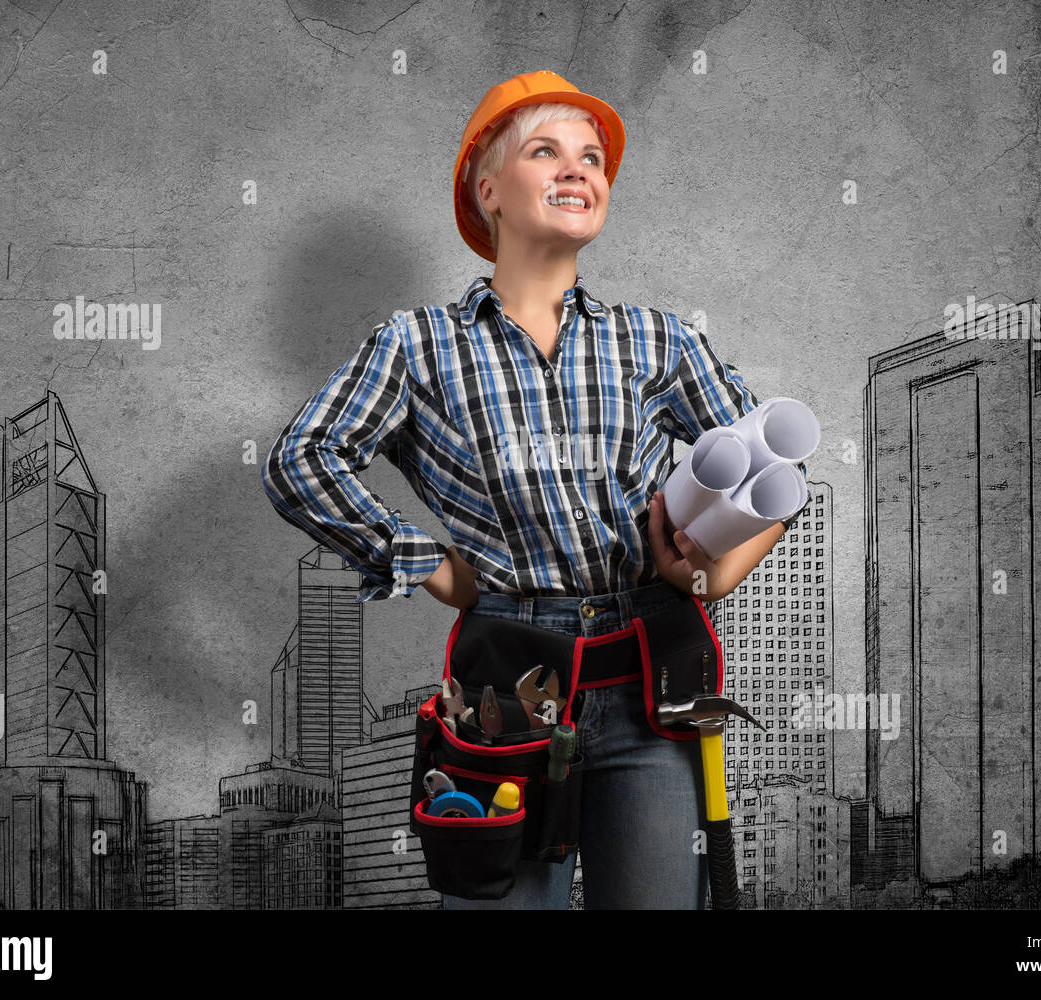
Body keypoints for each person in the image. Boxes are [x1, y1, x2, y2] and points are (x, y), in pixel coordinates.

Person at [261, 71, 796, 908]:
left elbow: (778, 470)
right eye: (545, 150)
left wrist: (713, 574)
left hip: (649, 681)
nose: (578, 169)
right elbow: (301, 459)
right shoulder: (418, 347)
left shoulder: (655, 341)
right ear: (487, 189)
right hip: (505, 695)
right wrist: (426, 563)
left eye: (592, 158)